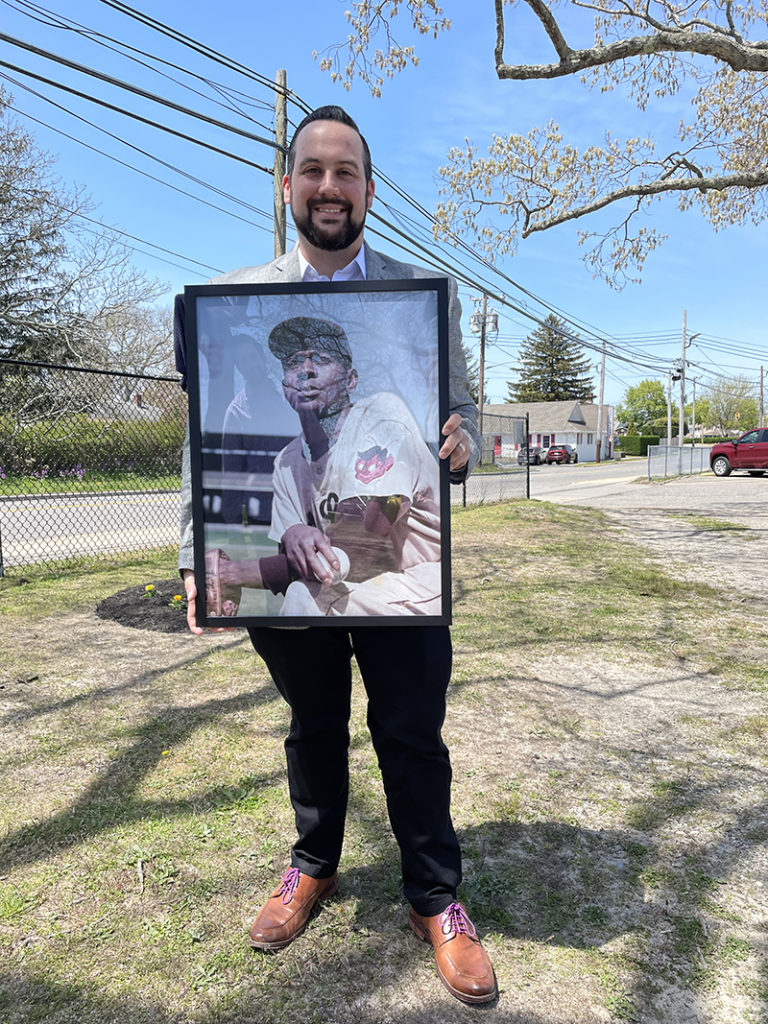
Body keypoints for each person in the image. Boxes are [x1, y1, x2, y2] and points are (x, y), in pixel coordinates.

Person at [179, 105, 497, 1005]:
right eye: (311, 170)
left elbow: (434, 453)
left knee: (410, 734)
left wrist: (465, 443)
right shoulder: (234, 298)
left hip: (404, 593)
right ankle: (313, 865)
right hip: (310, 614)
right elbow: (202, 446)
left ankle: (436, 898)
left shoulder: (419, 302)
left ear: (367, 188)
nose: (328, 187)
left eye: (345, 171)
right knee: (310, 729)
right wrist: (207, 564)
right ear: (287, 187)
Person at [206, 314, 444, 618]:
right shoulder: (286, 463)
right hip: (343, 587)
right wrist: (292, 539)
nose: (306, 370)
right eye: (293, 362)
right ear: (284, 387)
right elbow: (294, 562)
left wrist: (233, 574)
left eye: (321, 358)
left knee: (302, 598)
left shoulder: (381, 415)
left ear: (350, 379)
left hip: (415, 586)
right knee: (298, 600)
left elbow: (369, 534)